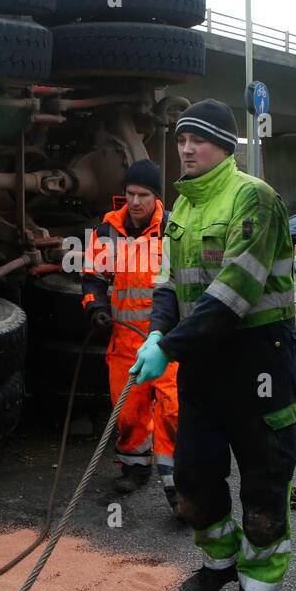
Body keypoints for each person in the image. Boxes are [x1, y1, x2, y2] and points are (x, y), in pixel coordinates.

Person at [130, 99, 296, 591]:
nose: (186, 148)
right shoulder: (181, 208)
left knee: (263, 480)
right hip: (203, 364)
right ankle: (221, 562)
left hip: (259, 361)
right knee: (194, 476)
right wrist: (158, 331)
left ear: (226, 145)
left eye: (198, 140)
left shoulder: (253, 197)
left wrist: (170, 346)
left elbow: (234, 291)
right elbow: (166, 283)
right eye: (181, 140)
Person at [81, 158, 179, 513]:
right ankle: (135, 467)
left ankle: (179, 482)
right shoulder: (108, 231)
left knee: (172, 410)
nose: (135, 201)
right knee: (129, 412)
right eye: (130, 194)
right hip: (124, 340)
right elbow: (92, 274)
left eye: (143, 194)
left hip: (165, 341)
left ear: (156, 197)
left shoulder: (172, 230)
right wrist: (96, 306)